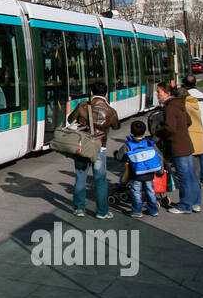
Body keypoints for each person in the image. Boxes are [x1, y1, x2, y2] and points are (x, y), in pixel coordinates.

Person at [67, 80, 119, 218]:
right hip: (99, 148)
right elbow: (116, 126)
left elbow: (70, 119)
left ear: (91, 92)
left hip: (83, 146)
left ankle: (79, 209)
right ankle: (102, 211)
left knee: (80, 177)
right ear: (106, 93)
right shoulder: (110, 110)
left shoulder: (83, 105)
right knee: (100, 180)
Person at [156, 83, 201, 213]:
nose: (157, 95)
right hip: (186, 143)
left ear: (167, 93)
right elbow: (189, 121)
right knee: (191, 175)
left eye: (159, 92)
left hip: (177, 145)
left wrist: (160, 133)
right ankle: (195, 202)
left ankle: (185, 205)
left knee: (184, 176)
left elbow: (169, 128)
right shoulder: (180, 104)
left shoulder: (169, 107)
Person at [117, 119, 162, 217]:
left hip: (135, 174)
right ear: (144, 131)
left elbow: (119, 157)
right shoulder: (149, 143)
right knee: (150, 191)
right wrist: (160, 170)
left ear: (131, 132)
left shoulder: (128, 145)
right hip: (149, 173)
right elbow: (159, 156)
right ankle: (153, 210)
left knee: (136, 192)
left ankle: (137, 211)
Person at [184, 78, 203, 182]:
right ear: (195, 83)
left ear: (184, 85)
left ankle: (193, 176)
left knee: (191, 153)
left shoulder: (186, 97)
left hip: (192, 127)